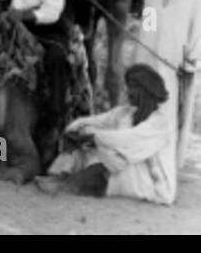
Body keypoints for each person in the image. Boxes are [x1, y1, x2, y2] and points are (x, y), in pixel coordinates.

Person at [91, 0, 201, 167]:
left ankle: (162, 163)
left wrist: (191, 60)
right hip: (147, 53)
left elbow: (197, 25)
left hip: (175, 60)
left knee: (167, 111)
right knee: (140, 106)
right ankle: (137, 161)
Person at [36, 64, 177, 204]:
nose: (128, 91)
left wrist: (93, 137)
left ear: (147, 89)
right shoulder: (126, 112)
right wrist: (75, 130)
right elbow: (96, 121)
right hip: (124, 167)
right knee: (91, 148)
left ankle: (70, 185)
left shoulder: (160, 124)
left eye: (133, 86)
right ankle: (65, 178)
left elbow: (128, 141)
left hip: (153, 183)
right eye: (128, 86)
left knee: (110, 159)